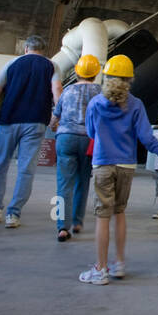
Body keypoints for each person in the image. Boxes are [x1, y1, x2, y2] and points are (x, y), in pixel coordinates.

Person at [80, 55, 158, 284]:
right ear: (130, 79)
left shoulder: (95, 103)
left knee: (102, 216)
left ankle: (100, 269)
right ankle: (119, 264)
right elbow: (146, 138)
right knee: (119, 213)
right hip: (126, 165)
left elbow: (90, 133)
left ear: (107, 77)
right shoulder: (136, 104)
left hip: (102, 163)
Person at [0, 34, 60, 227]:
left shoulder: (12, 63)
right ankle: (14, 213)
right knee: (26, 169)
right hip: (36, 121)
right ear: (43, 49)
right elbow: (57, 93)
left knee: (0, 164)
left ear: (26, 48)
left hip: (9, 119)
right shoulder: (51, 65)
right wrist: (57, 116)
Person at [52, 54, 102, 242]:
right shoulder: (99, 91)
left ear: (76, 71)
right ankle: (77, 221)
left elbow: (55, 116)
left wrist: (53, 126)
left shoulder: (68, 90)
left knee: (64, 184)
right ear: (96, 73)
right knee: (83, 180)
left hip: (66, 138)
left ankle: (62, 227)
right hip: (89, 140)